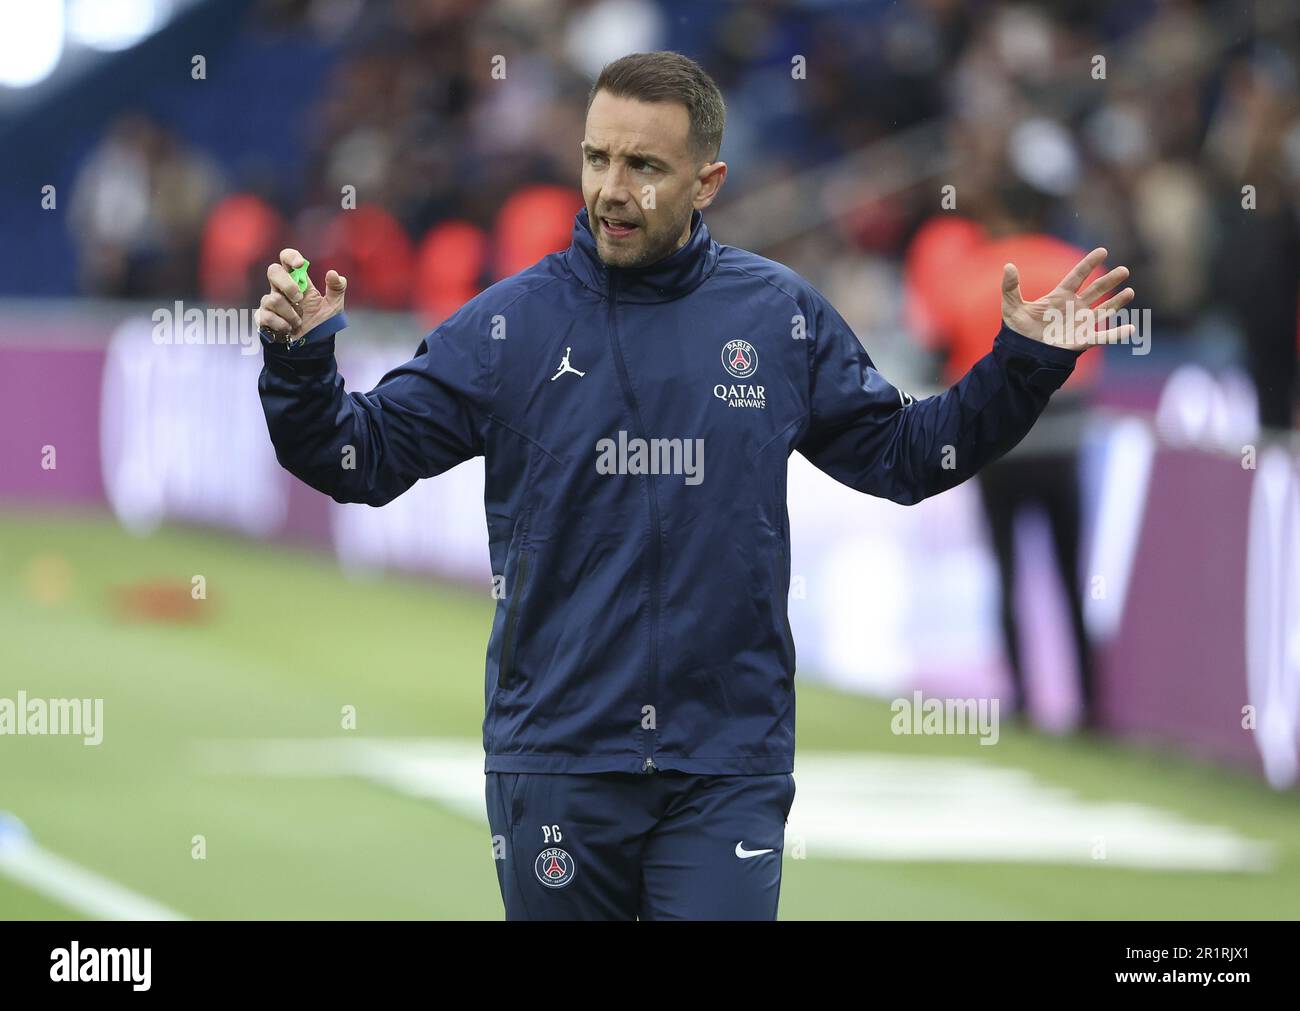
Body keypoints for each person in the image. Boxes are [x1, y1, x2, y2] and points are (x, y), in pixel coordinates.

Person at [254, 51, 1135, 920]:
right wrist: (299, 365)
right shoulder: (506, 327)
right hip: (560, 756)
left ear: (707, 181)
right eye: (598, 158)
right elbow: (355, 458)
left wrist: (1022, 367)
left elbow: (906, 457)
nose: (611, 189)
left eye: (644, 166)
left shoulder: (779, 317)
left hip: (728, 762)